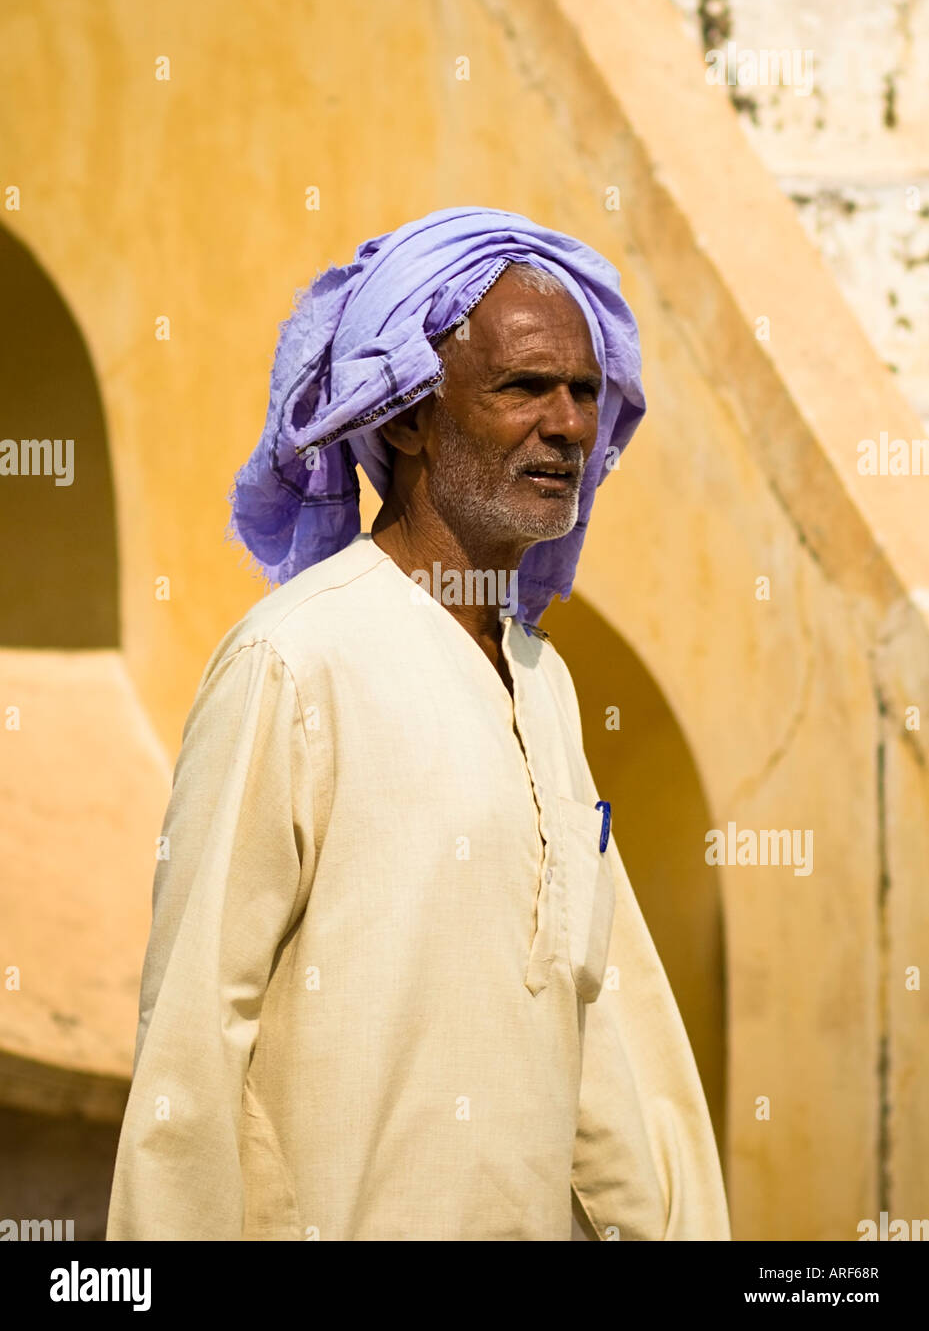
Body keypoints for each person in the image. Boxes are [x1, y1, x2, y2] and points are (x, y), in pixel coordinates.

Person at [106, 206, 730, 1242]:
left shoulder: (542, 685)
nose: (569, 424)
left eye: (583, 391)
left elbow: (598, 1034)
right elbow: (189, 1048)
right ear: (403, 414)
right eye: (523, 387)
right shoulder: (295, 662)